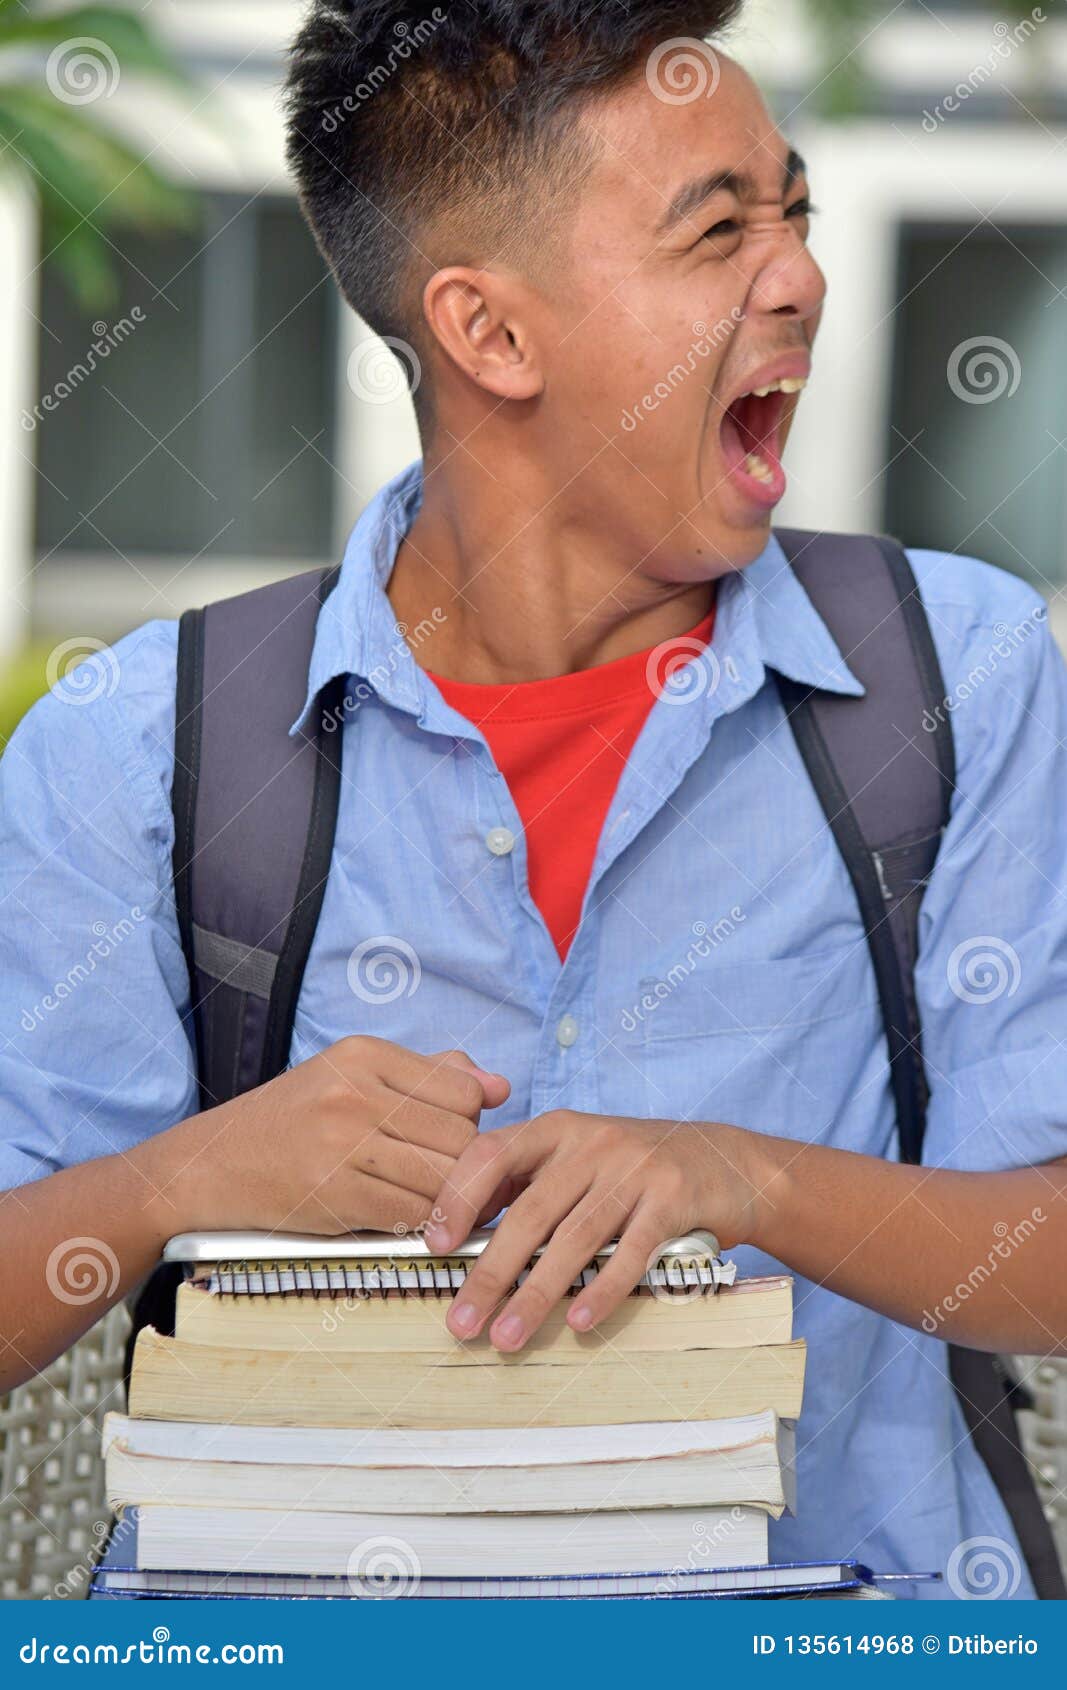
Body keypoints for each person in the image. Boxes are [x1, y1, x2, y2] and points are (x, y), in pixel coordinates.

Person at [1, 1, 1065, 1595]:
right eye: (717, 232)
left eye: (795, 212)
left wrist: (746, 1176)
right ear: (491, 335)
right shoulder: (134, 749)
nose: (802, 277)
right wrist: (176, 1181)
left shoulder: (959, 674)